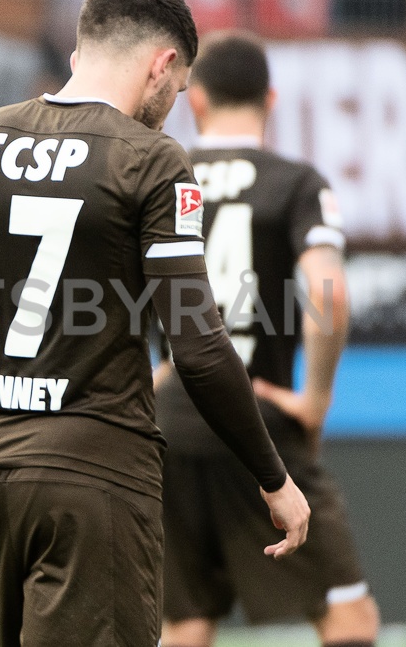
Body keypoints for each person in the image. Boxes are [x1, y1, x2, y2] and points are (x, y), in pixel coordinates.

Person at [0, 0, 310, 646]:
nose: (170, 109)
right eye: (176, 94)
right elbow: (200, 349)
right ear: (163, 65)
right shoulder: (150, 160)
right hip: (93, 480)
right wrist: (274, 478)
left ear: (78, 55)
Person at [154, 32, 380, 647]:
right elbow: (328, 294)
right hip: (261, 421)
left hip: (170, 420)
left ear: (194, 101)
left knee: (187, 622)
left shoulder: (161, 175)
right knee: (349, 622)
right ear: (271, 100)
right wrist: (316, 399)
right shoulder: (297, 182)